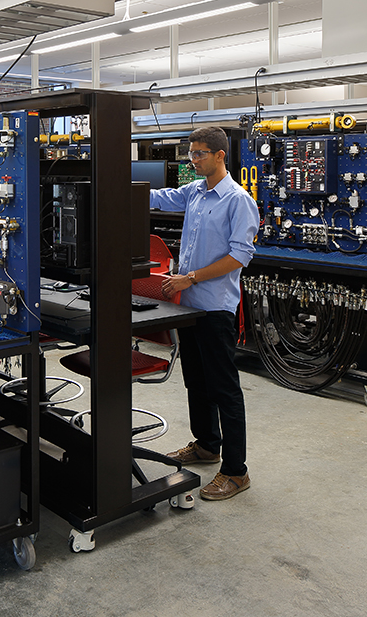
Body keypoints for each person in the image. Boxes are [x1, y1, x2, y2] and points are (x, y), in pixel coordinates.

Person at [149, 127, 259, 501]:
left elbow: (238, 257)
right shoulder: (195, 192)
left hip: (214, 308)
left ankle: (236, 471)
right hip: (189, 308)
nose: (192, 160)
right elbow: (160, 197)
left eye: (199, 154)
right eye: (191, 154)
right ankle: (207, 445)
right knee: (195, 381)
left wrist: (189, 278)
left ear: (219, 155)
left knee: (224, 389)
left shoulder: (237, 200)